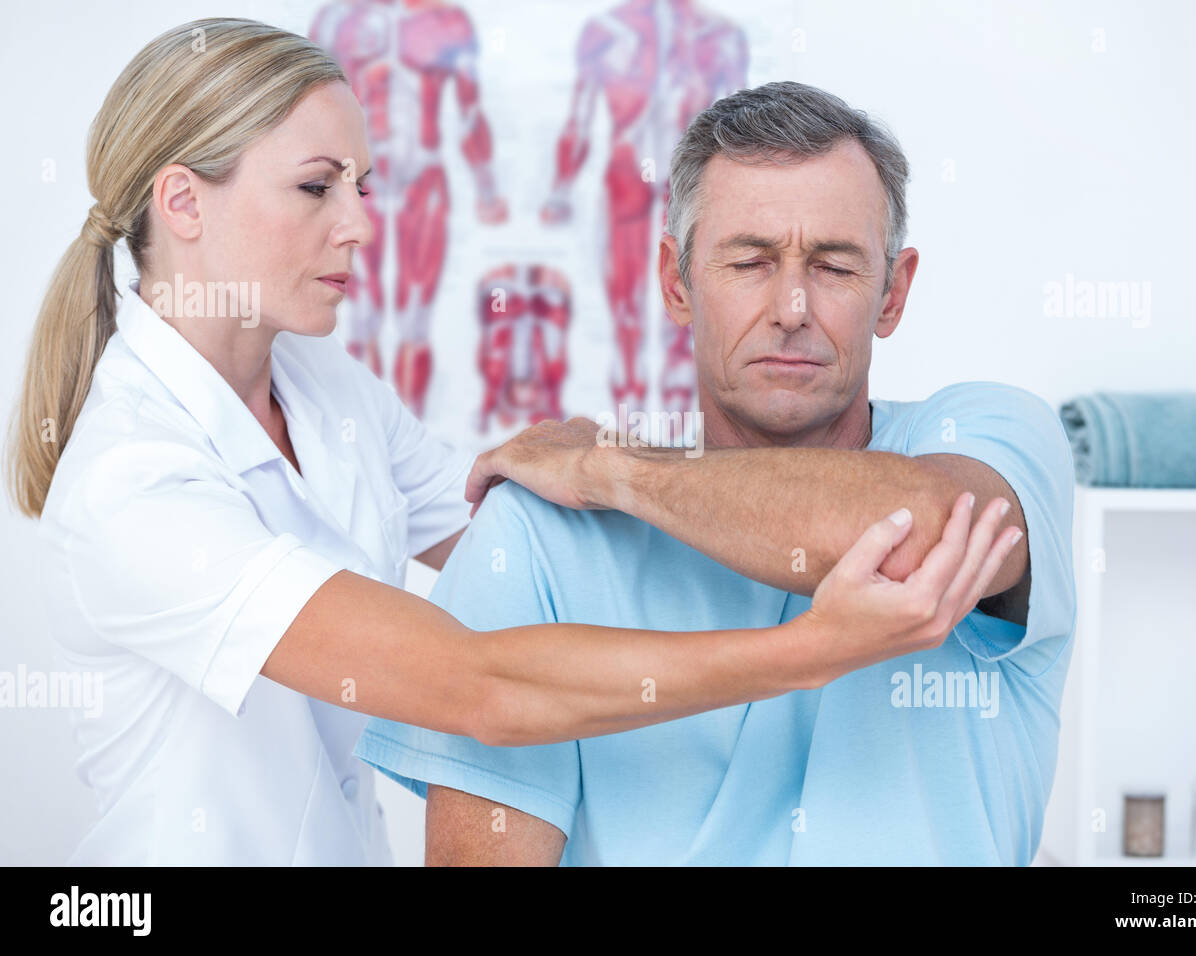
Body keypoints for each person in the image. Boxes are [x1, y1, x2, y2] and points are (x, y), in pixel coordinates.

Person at [4, 23, 1014, 866]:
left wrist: (610, 467)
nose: (363, 225)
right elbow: (474, 683)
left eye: (364, 182)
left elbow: (528, 532)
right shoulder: (132, 483)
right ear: (182, 202)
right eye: (317, 188)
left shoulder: (324, 387)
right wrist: (808, 649)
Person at [356, 81, 1070, 866]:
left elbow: (916, 536)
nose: (792, 306)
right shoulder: (539, 530)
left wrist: (613, 468)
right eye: (751, 261)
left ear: (893, 293)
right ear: (676, 282)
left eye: (833, 266)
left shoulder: (994, 435)